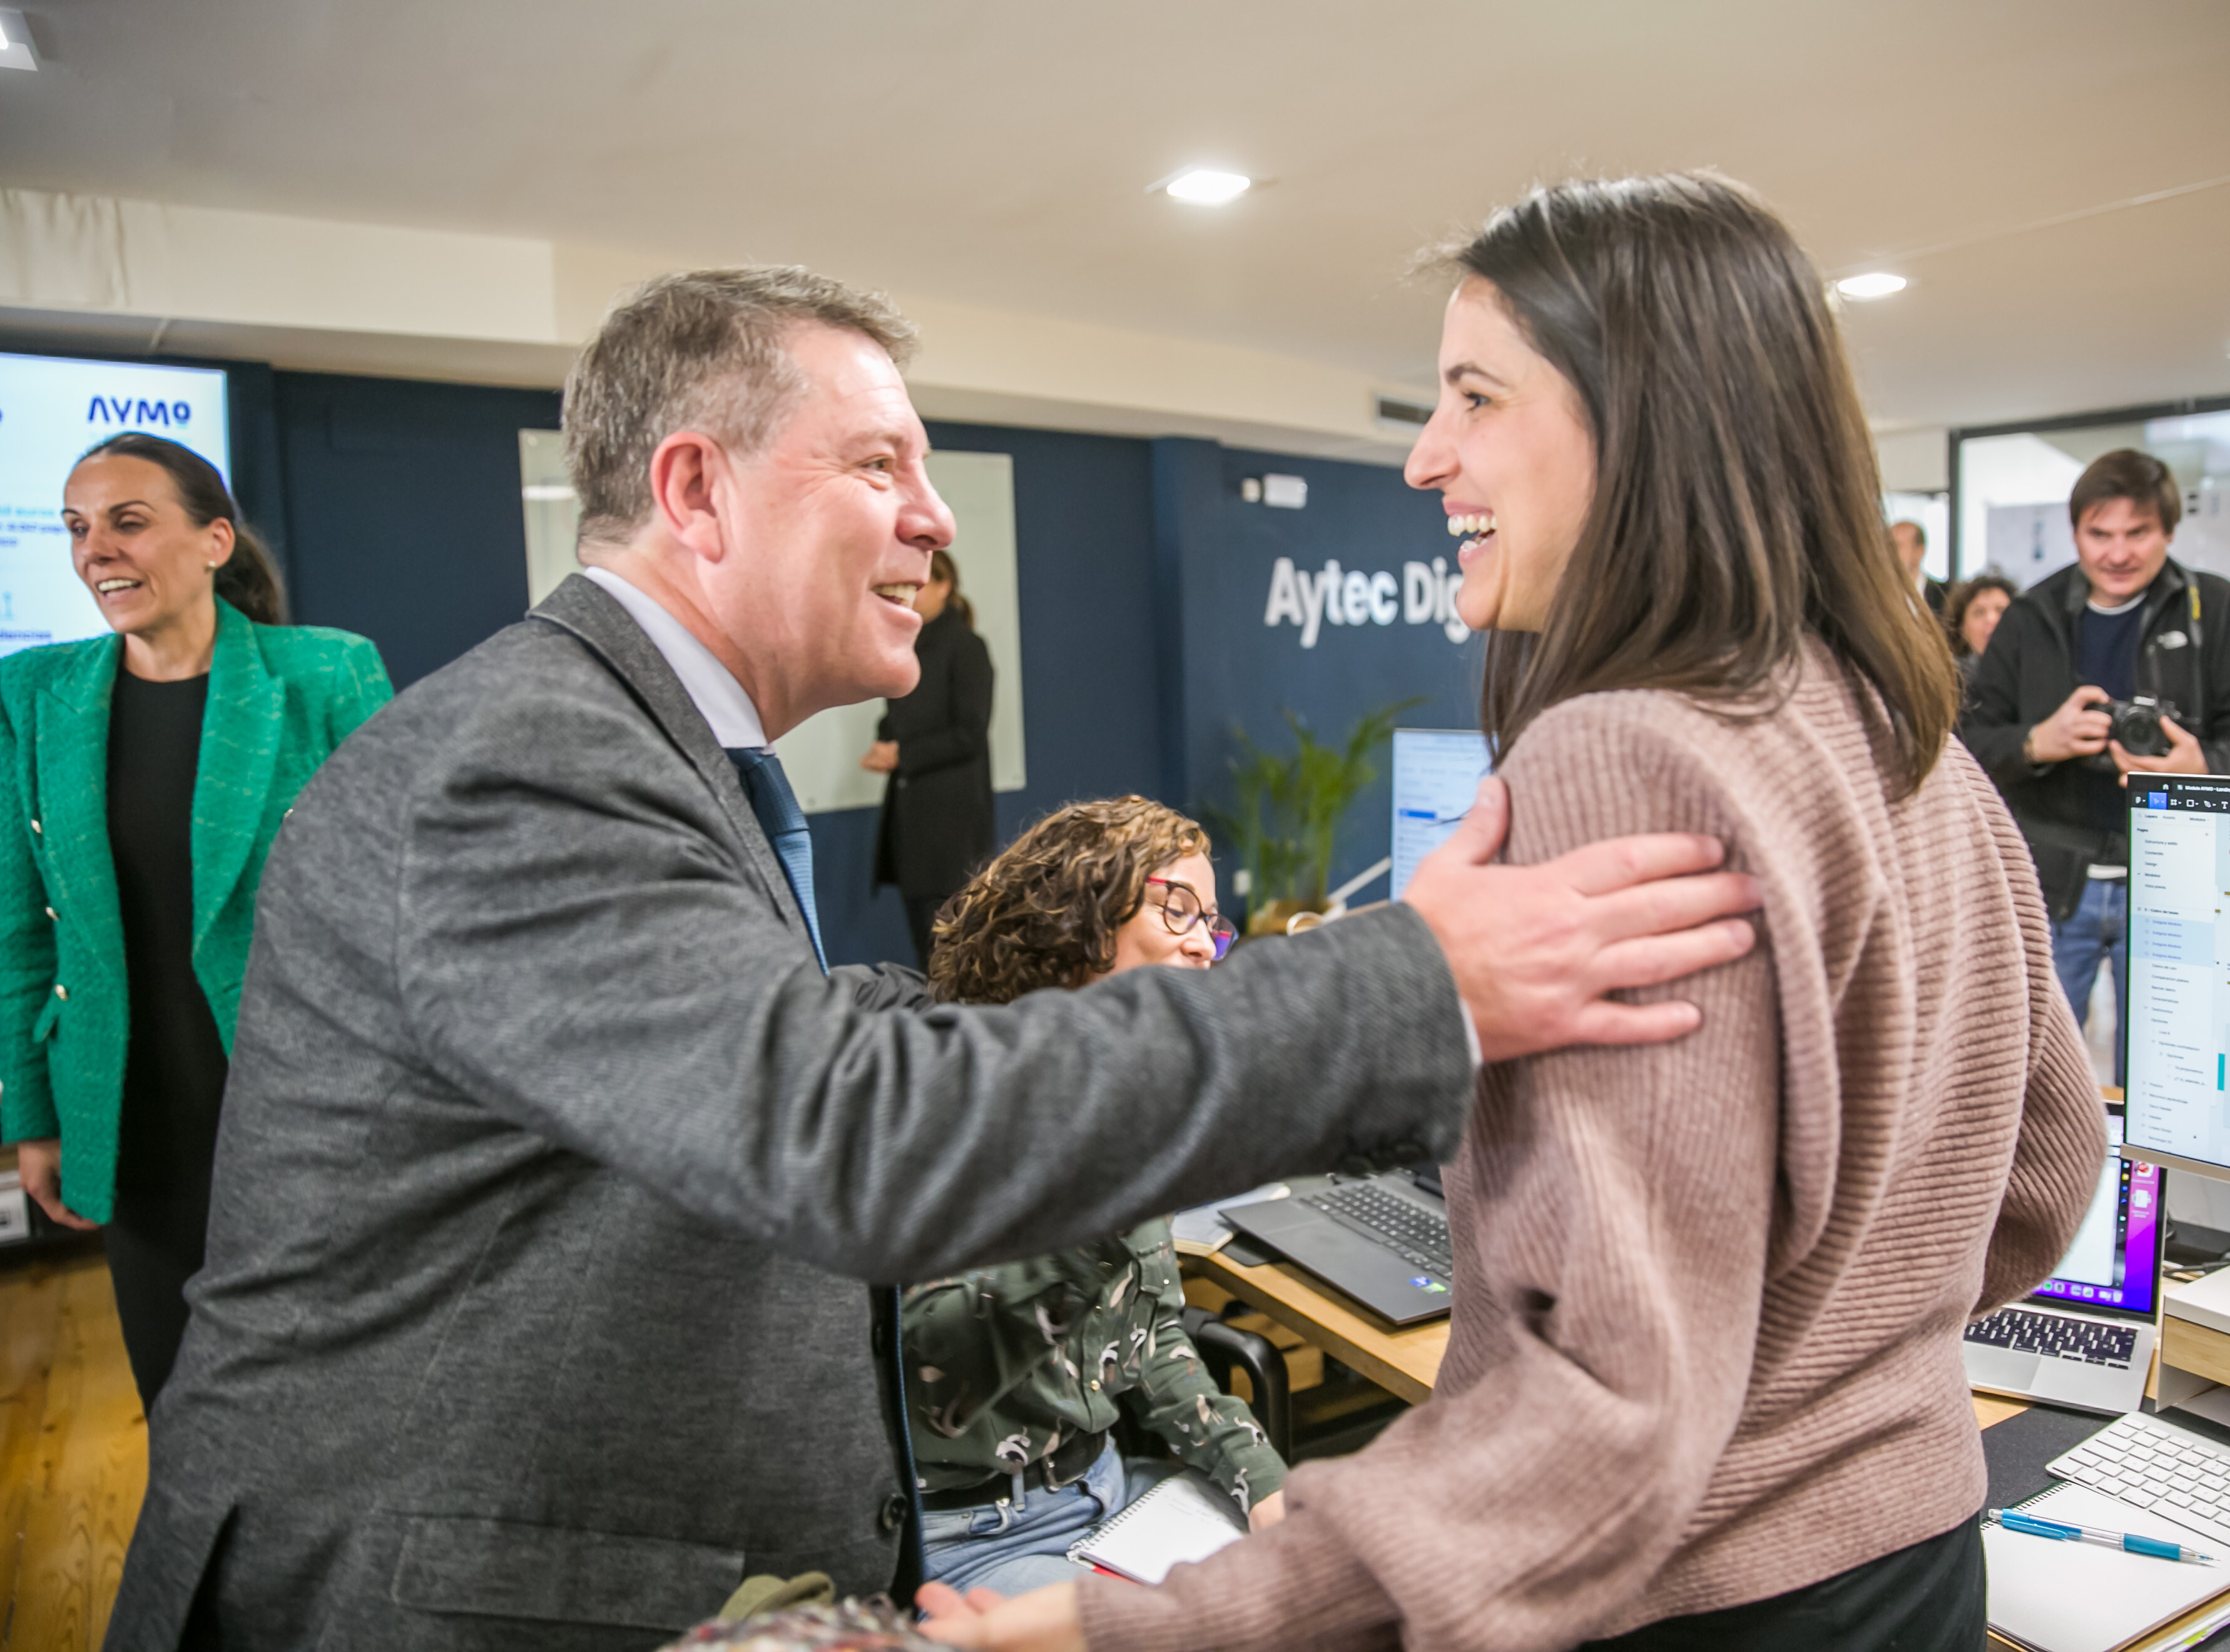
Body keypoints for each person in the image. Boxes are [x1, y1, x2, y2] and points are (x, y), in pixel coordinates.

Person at [104, 267, 1764, 1651]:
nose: (936, 515)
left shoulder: (642, 748)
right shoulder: (521, 756)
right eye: (882, 466)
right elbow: (841, 1125)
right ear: (695, 490)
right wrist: (1416, 985)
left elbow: (810, 1036)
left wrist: (1297, 1032)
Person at [922, 173, 2104, 1652]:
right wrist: (1817, 1361)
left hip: (1696, 1595)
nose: (1425, 458)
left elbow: (1598, 1428)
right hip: (1915, 1555)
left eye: (1474, 398)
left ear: (1642, 423)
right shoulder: (1901, 736)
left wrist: (1098, 1630)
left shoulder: (1633, 753)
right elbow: (2044, 1173)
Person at [0, 432, 390, 1410]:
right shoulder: (36, 696)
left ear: (215, 541)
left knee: (333, 1399)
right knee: (178, 1400)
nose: (97, 552)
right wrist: (32, 1122)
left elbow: (403, 900)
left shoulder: (325, 674)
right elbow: (17, 929)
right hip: (131, 1118)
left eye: (129, 523)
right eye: (79, 529)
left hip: (311, 1111)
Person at [909, 798, 1283, 1598]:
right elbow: (944, 1383)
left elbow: (1148, 1341)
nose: (1203, 944)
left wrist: (1263, 1480)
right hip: (976, 1533)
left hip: (1111, 1494)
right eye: (1176, 907)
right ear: (1073, 922)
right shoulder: (947, 1107)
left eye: (1212, 922)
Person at [1958, 449, 2230, 1076]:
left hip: (2174, 880)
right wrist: (2036, 743)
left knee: (2170, 1075)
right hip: (2053, 884)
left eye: (2138, 534)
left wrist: (2202, 765)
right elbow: (1968, 745)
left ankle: (2149, 1179)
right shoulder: (2033, 616)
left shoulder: (2211, 608)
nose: (2118, 554)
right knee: (2035, 1074)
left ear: (2169, 532)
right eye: (2099, 534)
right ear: (2076, 532)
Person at [865, 546, 996, 966]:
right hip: (912, 823)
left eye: (920, 585)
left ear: (945, 586)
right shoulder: (908, 644)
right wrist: (886, 743)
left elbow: (969, 733)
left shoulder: (967, 647)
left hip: (950, 828)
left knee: (951, 955)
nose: (911, 594)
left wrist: (904, 754)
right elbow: (898, 716)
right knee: (924, 953)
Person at [1943, 571, 2017, 690]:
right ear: (1961, 629)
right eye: (1979, 613)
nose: (1992, 619)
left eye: (2001, 610)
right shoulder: (1951, 684)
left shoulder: (2037, 673)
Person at [1891, 518, 1945, 614]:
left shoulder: (1944, 598)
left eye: (1896, 546)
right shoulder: (1875, 595)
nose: (1889, 552)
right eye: (1886, 546)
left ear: (1919, 552)